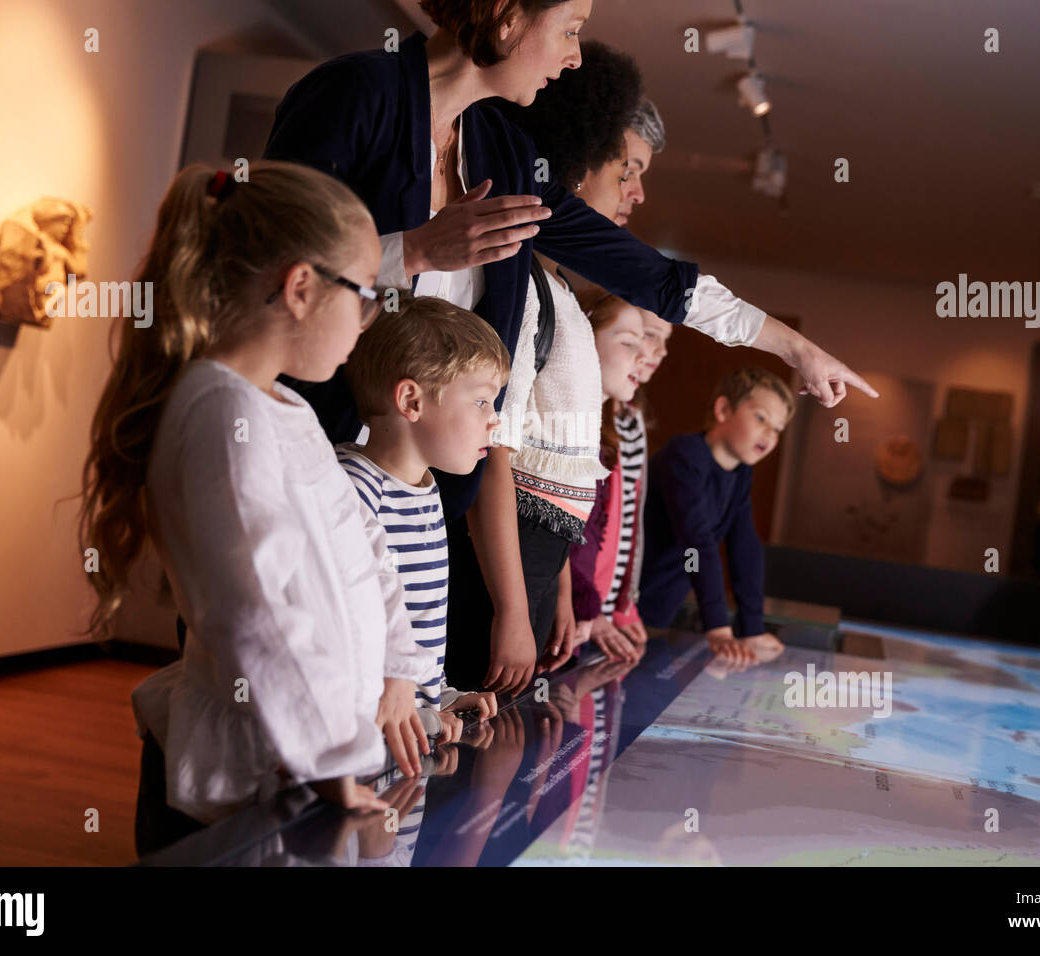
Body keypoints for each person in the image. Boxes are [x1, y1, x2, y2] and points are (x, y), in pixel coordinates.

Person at [264, 8, 875, 696]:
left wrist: (794, 348)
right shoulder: (357, 94)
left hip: (424, 511)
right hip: (311, 471)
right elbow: (265, 259)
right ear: (506, 12)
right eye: (570, 27)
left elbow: (649, 274)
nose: (576, 57)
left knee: (394, 727)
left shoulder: (504, 152)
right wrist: (417, 249)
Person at [79, 161, 429, 857]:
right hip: (248, 778)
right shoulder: (218, 409)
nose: (367, 320)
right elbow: (252, 605)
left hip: (307, 762)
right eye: (363, 295)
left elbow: (364, 546)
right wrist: (330, 754)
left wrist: (397, 662)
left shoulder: (286, 405)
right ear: (301, 288)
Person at [335, 295, 505, 735]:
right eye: (482, 401)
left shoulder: (427, 489)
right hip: (370, 734)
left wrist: (441, 695)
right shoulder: (353, 489)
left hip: (416, 727)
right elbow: (349, 634)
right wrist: (417, 716)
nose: (495, 420)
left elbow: (417, 627)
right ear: (411, 400)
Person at [638, 368, 794, 664]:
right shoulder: (684, 455)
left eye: (777, 428)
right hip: (620, 609)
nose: (769, 435)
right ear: (723, 409)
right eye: (761, 418)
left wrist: (752, 628)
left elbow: (744, 547)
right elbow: (696, 544)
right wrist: (718, 628)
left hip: (659, 615)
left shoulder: (740, 473)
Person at [568, 292, 652, 663]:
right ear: (585, 337)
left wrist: (596, 608)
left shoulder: (603, 436)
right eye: (630, 343)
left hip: (582, 617)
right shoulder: (563, 429)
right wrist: (587, 608)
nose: (645, 356)